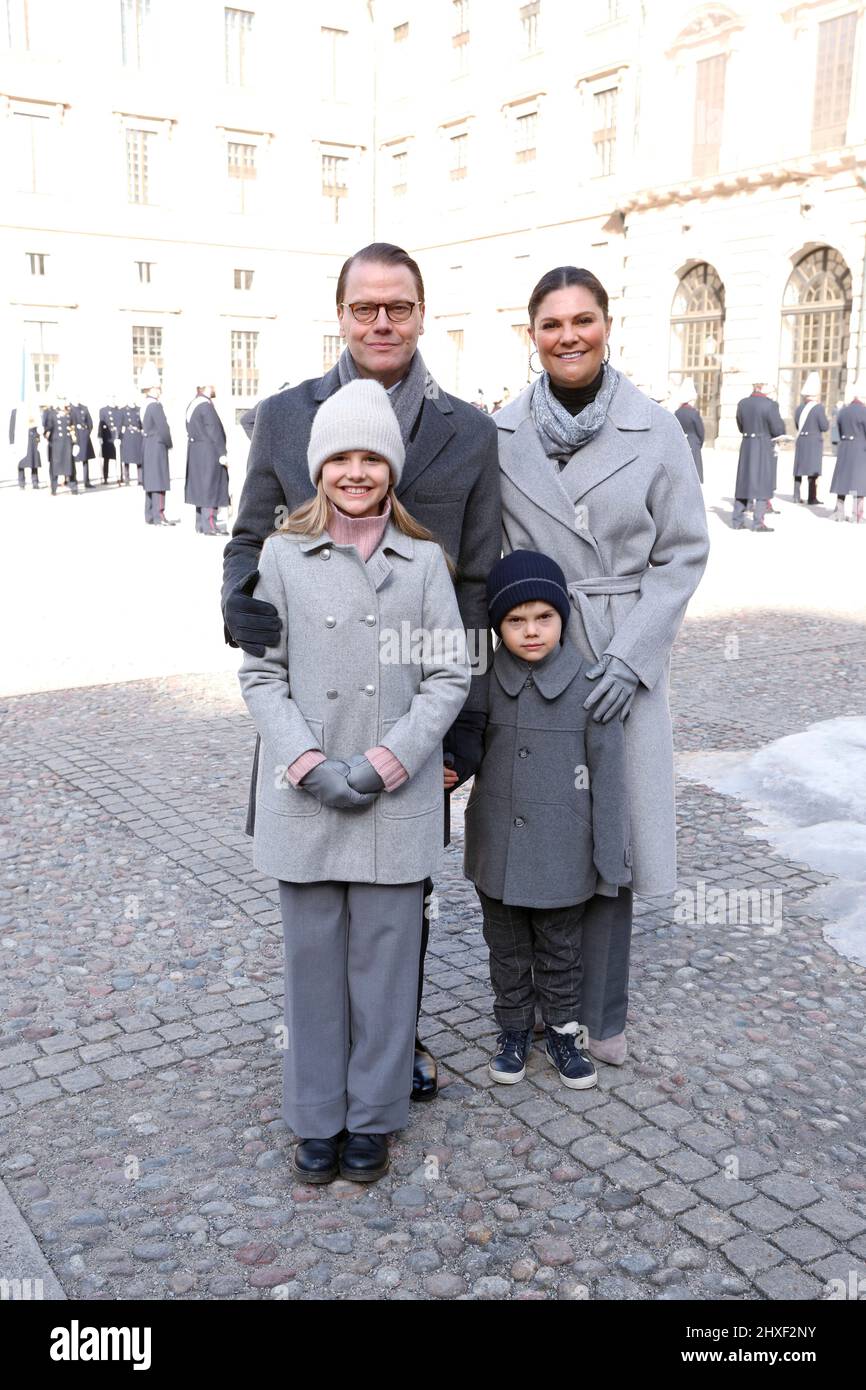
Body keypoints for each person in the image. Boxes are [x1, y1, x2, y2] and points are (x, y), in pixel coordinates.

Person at [222, 241, 500, 1101]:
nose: (382, 322)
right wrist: (237, 602)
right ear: (340, 315)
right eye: (364, 307)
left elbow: (477, 581)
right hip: (317, 694)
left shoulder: (469, 430)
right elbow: (250, 537)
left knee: (398, 887)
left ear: (421, 314)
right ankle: (324, 1060)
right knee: (316, 892)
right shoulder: (285, 416)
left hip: (412, 706)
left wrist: (469, 720)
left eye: (399, 307)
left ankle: (394, 1041)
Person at [237, 379, 471, 1183]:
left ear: (392, 469)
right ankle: (316, 1115)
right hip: (306, 793)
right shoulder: (282, 556)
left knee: (385, 970)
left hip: (390, 794)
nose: (356, 472)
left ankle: (373, 1115)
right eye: (341, 458)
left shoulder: (423, 562)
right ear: (318, 469)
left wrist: (387, 762)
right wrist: (305, 762)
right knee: (312, 969)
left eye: (372, 458)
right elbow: (260, 674)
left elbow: (448, 674)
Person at [493, 265, 710, 1065]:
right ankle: (529, 1006)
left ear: (608, 326)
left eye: (583, 320)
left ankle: (600, 1013)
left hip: (622, 643)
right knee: (541, 821)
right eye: (552, 324)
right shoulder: (502, 432)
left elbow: (683, 552)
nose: (569, 336)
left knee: (609, 826)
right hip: (535, 648)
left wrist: (633, 655)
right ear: (532, 336)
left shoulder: (655, 429)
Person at [464, 550, 632, 1091]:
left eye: (544, 617)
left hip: (564, 853)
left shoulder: (590, 686)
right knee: (507, 951)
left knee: (561, 952)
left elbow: (609, 777)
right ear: (498, 625)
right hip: (496, 851)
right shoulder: (482, 682)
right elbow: (461, 744)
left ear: (563, 617)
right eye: (515, 620)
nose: (531, 631)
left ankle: (563, 1033)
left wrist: (610, 856)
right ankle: (513, 1030)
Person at [733, 378, 786, 532]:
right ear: (764, 386)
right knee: (763, 483)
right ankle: (758, 523)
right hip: (763, 445)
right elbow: (777, 429)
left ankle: (737, 520)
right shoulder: (770, 405)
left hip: (747, 445)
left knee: (744, 482)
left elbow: (740, 426)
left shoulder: (742, 403)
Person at [184, 381, 229, 535]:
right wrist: (222, 453)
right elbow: (214, 430)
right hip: (210, 452)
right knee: (211, 487)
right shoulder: (205, 406)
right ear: (206, 387)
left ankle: (200, 524)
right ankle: (210, 525)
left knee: (201, 488)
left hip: (196, 451)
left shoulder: (193, 404)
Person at [139, 362, 177, 526]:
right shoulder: (155, 405)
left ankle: (150, 514)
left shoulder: (144, 405)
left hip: (147, 445)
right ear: (152, 389)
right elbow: (163, 427)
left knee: (150, 481)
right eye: (157, 388)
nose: (159, 391)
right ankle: (159, 515)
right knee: (159, 481)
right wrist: (169, 443)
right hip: (157, 445)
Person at [830, 381, 866, 523]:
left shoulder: (843, 411)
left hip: (845, 447)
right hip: (860, 448)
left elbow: (838, 429)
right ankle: (857, 515)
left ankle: (839, 513)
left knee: (843, 481)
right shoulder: (864, 412)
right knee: (858, 482)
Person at [792, 373, 829, 505]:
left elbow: (797, 425)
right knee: (812, 470)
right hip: (813, 442)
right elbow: (824, 426)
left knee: (799, 469)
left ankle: (796, 495)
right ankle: (812, 497)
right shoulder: (818, 408)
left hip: (801, 440)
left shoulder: (799, 408)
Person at [42, 391, 77, 495]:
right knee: (54, 468)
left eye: (63, 400)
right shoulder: (52, 413)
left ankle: (73, 488)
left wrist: (75, 442)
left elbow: (73, 427)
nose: (62, 403)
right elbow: (48, 427)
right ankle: (53, 489)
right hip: (56, 444)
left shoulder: (70, 413)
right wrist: (45, 433)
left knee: (70, 467)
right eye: (60, 401)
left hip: (67, 444)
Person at [674, 379, 705, 482]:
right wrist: (700, 442)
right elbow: (700, 431)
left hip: (681, 442)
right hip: (693, 442)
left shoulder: (677, 412)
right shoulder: (693, 413)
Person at [10, 401, 42, 488]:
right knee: (20, 461)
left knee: (33, 461)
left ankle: (35, 481)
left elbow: (38, 425)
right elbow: (12, 428)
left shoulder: (33, 410)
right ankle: (21, 482)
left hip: (32, 439)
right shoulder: (15, 411)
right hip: (20, 439)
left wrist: (38, 438)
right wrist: (12, 442)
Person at [70, 399, 95, 489]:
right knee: (72, 460)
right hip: (74, 437)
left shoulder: (84, 408)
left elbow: (90, 423)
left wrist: (87, 433)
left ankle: (86, 481)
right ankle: (72, 480)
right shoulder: (69, 408)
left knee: (85, 459)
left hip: (84, 436)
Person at [119, 399, 144, 485]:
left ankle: (140, 479)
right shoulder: (123, 410)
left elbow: (142, 423)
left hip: (138, 436)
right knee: (126, 458)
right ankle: (126, 479)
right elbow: (120, 424)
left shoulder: (139, 409)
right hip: (127, 436)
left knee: (139, 458)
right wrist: (118, 437)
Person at [97, 399, 122, 485]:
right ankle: (105, 477)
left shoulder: (119, 411)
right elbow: (101, 424)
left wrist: (118, 436)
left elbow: (119, 424)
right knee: (106, 459)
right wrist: (100, 436)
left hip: (115, 436)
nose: (112, 400)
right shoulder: (103, 410)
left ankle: (119, 477)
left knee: (118, 458)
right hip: (107, 437)